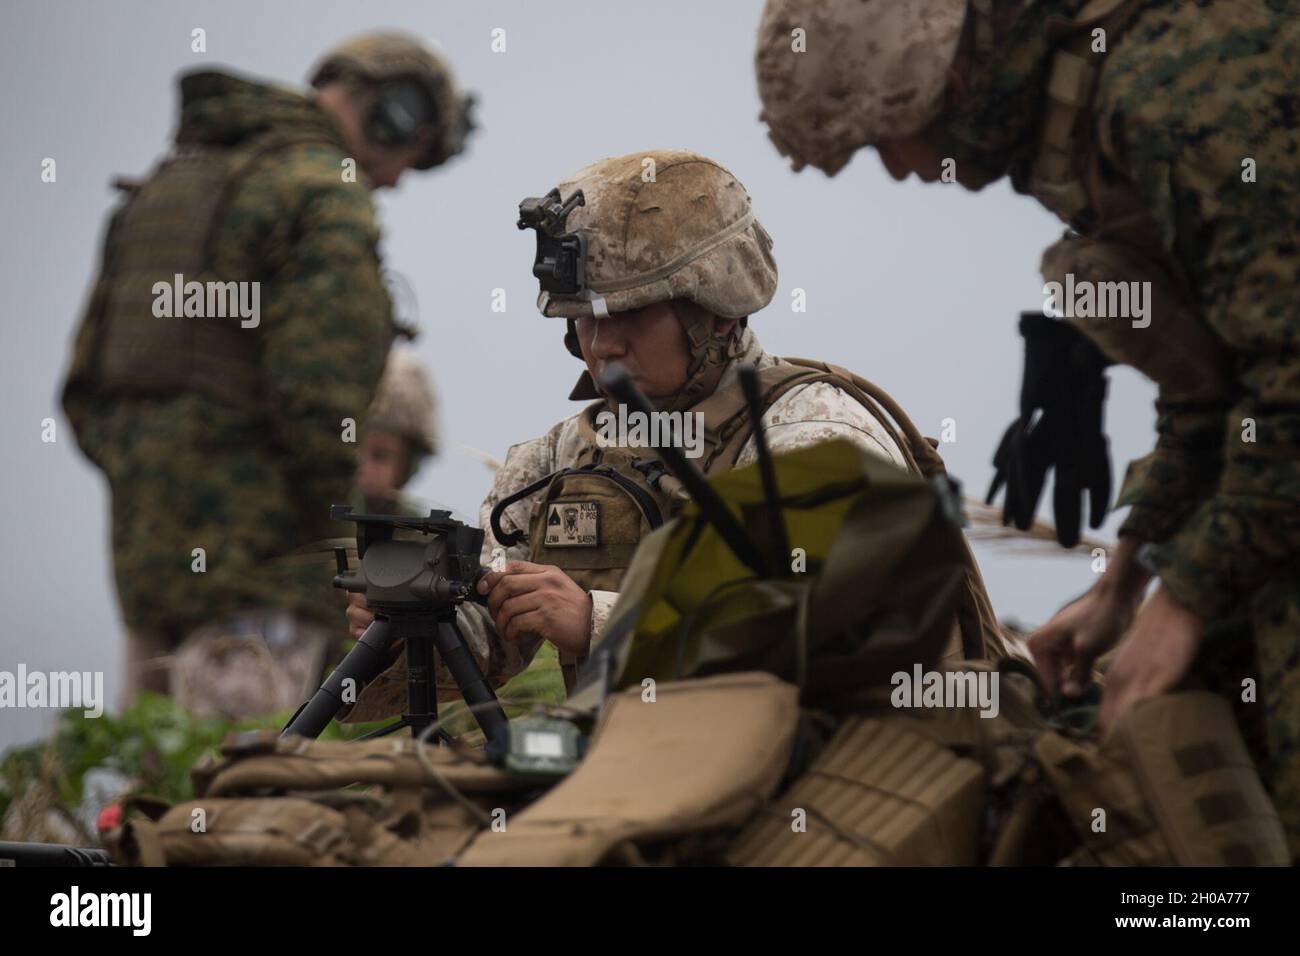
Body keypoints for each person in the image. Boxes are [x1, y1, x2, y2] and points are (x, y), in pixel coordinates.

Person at [754, 0, 1300, 853]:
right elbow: (1213, 396)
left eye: (884, 139)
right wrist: (1126, 583)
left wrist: (1184, 598)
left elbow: (1290, 388)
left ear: (943, 80)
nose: (900, 171)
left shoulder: (1175, 92)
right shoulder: (1093, 105)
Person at [343, 148, 1004, 720]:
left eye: (629, 314)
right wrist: (414, 638)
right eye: (581, 320)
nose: (602, 344)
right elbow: (488, 648)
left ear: (714, 311)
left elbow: (828, 621)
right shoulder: (556, 460)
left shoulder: (817, 433)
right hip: (647, 779)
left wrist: (600, 623)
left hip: (840, 772)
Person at [60, 31, 472, 718]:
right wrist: (337, 546)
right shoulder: (321, 194)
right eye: (410, 151)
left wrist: (163, 486)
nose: (399, 177)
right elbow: (322, 406)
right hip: (268, 581)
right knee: (245, 803)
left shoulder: (167, 187)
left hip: (148, 572)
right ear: (392, 112)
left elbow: (85, 396)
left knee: (159, 794)